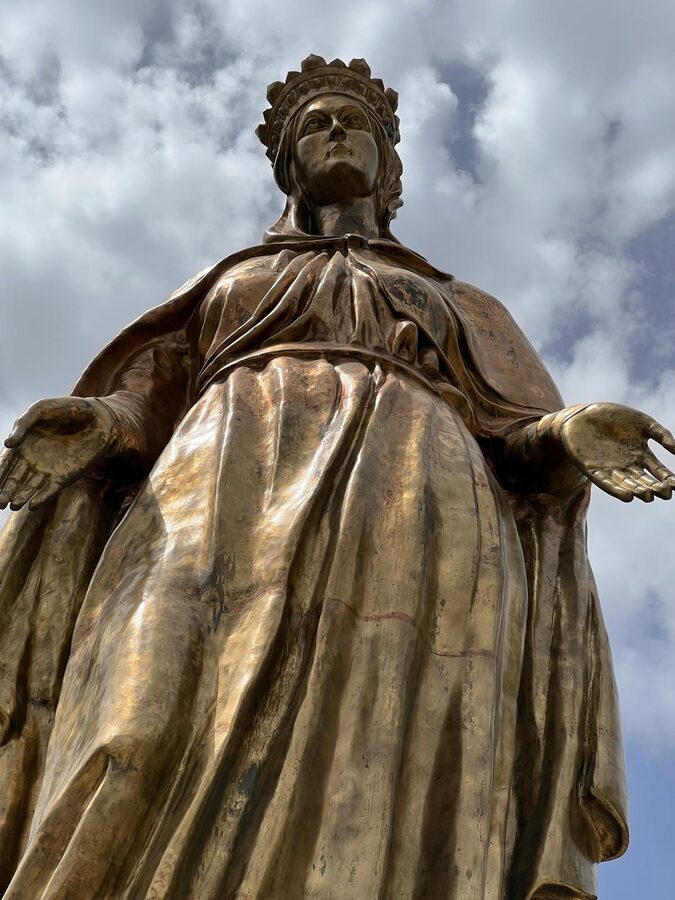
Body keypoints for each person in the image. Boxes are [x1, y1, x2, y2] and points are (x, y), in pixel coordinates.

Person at [0, 55, 673, 900]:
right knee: (134, 721)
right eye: (314, 124)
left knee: (383, 742)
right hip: (215, 483)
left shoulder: (448, 296)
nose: (335, 132)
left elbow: (514, 431)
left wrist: (570, 432)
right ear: (288, 164)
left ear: (388, 169)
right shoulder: (229, 280)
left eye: (352, 122)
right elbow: (149, 392)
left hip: (419, 496)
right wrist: (98, 421)